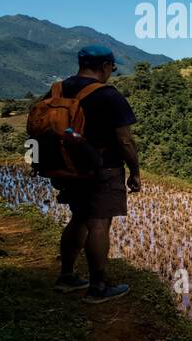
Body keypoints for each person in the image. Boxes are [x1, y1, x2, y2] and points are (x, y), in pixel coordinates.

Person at [52, 45, 142, 303]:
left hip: (69, 168)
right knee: (99, 224)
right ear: (105, 66)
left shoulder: (58, 90)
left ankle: (66, 276)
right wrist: (135, 171)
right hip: (103, 169)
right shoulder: (108, 95)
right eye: (111, 68)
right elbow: (124, 140)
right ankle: (98, 287)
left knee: (79, 218)